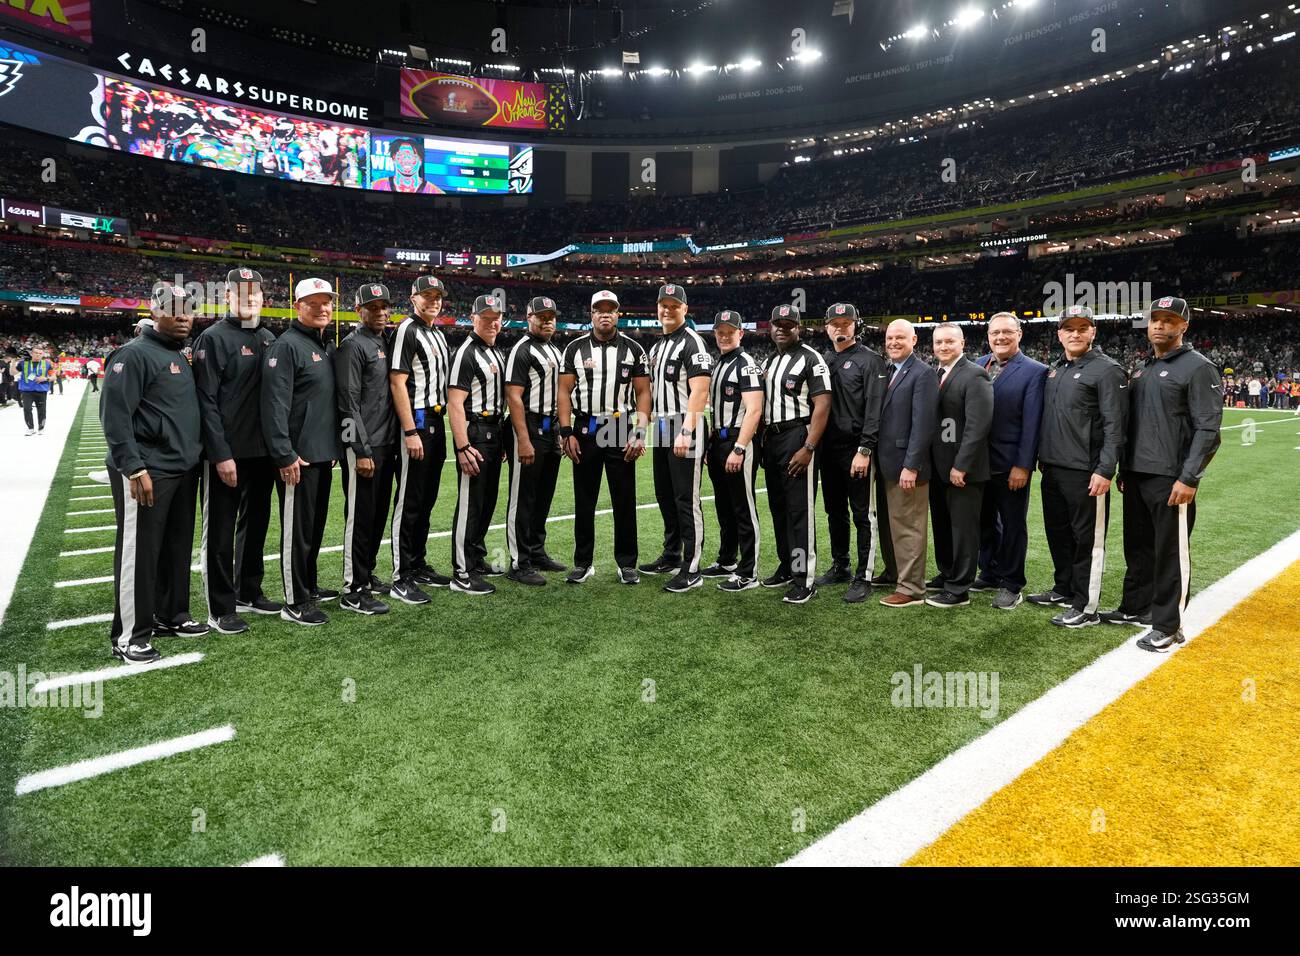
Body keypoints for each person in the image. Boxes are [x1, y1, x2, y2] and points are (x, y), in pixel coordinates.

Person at [1110, 296, 1223, 651]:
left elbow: (1208, 429)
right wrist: (1124, 467)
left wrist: (1190, 477)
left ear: (1184, 326)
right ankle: (1136, 606)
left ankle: (1169, 625)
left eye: (1169, 320)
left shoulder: (1198, 367)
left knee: (1170, 552)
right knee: (1139, 547)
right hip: (1138, 474)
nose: (1159, 325)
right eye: (1155, 319)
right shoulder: (1142, 369)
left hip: (1171, 477)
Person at [101, 282, 206, 663]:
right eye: (173, 308)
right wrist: (134, 466)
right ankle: (130, 635)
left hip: (182, 468)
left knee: (176, 550)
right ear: (154, 309)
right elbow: (115, 418)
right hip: (148, 470)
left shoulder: (177, 355)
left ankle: (173, 614)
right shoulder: (132, 354)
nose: (182, 316)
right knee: (140, 553)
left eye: (189, 309)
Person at [193, 268, 281, 635]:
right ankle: (220, 606)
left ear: (262, 298)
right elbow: (205, 402)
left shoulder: (268, 337)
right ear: (227, 296)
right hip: (227, 454)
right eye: (241, 294)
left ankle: (249, 589)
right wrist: (220, 453)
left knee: (256, 522)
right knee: (220, 529)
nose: (249, 300)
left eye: (255, 294)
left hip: (262, 452)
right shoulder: (212, 339)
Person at [1030, 305, 1128, 626]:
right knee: (1058, 533)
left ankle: (1086, 606)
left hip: (1087, 471)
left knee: (1087, 538)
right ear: (1059, 334)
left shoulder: (1107, 370)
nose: (1075, 333)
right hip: (1054, 468)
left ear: (1092, 332)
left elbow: (1116, 425)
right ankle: (1064, 588)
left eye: (1082, 328)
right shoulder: (1055, 369)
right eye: (1068, 328)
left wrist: (1105, 469)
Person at [558, 289, 651, 584]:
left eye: (611, 309)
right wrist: (565, 431)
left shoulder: (634, 349)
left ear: (618, 314)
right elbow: (563, 391)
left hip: (618, 426)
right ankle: (583, 562)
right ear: (592, 314)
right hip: (585, 427)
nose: (605, 314)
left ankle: (627, 563)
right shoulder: (574, 348)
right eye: (600, 309)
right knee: (584, 500)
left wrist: (640, 431)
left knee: (624, 499)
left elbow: (643, 392)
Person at [262, 277, 340, 626]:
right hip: (298, 458)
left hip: (321, 454)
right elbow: (274, 406)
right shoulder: (286, 346)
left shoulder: (321, 345)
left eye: (327, 302)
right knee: (297, 531)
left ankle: (307, 586)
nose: (323, 308)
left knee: (314, 528)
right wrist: (284, 453)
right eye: (314, 302)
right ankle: (294, 601)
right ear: (297, 305)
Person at [642, 284, 713, 593]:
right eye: (663, 305)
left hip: (685, 425)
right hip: (661, 426)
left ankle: (691, 565)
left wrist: (687, 430)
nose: (667, 310)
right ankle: (671, 554)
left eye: (674, 305)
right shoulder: (658, 346)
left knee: (686, 498)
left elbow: (699, 390)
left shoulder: (692, 342)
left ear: (685, 309)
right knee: (665, 494)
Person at [974, 312, 1048, 610]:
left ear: (1019, 334)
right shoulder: (978, 365)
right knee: (984, 522)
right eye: (995, 333)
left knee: (1013, 525)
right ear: (988, 336)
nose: (1001, 337)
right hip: (979, 463)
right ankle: (989, 570)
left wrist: (1023, 465)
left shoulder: (1035, 371)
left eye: (1007, 332)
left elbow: (1032, 423)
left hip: (1010, 465)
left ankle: (1012, 582)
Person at [760, 305, 831, 605]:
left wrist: (809, 447)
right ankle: (788, 565)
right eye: (777, 324)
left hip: (796, 436)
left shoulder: (811, 358)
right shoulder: (770, 360)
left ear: (798, 328)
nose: (782, 329)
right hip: (771, 437)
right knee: (778, 507)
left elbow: (823, 406)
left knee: (799, 510)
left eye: (789, 325)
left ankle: (805, 578)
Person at [388, 275, 453, 606]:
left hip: (437, 421)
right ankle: (401, 576)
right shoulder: (406, 330)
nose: (433, 301)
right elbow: (397, 382)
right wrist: (410, 430)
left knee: (426, 499)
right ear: (413, 298)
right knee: (409, 500)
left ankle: (418, 562)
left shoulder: (438, 334)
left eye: (437, 296)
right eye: (426, 296)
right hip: (418, 421)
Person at [816, 302, 886, 604]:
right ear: (827, 327)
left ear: (856, 325)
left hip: (855, 448)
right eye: (835, 323)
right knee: (834, 511)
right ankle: (841, 565)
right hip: (828, 449)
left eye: (846, 323)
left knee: (862, 514)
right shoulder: (825, 358)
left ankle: (864, 576)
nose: (840, 328)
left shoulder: (870, 360)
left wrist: (865, 448)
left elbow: (875, 409)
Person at [336, 282, 398, 615]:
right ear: (359, 310)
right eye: (373, 307)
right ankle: (352, 588)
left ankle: (367, 574)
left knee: (375, 517)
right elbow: (347, 403)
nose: (380, 312)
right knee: (359, 519)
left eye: (384, 306)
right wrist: (359, 449)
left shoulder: (385, 342)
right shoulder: (352, 345)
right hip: (365, 446)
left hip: (386, 444)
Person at [926, 323, 994, 608]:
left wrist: (961, 465)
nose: (943, 346)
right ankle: (948, 572)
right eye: (939, 342)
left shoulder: (975, 374)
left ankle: (959, 589)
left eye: (949, 342)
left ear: (962, 343)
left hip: (963, 470)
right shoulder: (935, 374)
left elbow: (978, 426)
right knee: (942, 525)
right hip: (938, 467)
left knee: (963, 529)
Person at [874, 319, 939, 608]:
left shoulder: (922, 373)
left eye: (900, 337)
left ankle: (912, 588)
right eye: (890, 338)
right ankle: (894, 572)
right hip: (886, 462)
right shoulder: (890, 370)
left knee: (909, 527)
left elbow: (923, 424)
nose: (894, 343)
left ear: (914, 340)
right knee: (890, 525)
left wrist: (912, 465)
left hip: (906, 465)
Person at [504, 295, 567, 585]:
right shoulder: (522, 350)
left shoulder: (554, 350)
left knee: (543, 495)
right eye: (542, 316)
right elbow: (514, 397)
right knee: (523, 497)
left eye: (551, 316)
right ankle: (519, 561)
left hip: (550, 428)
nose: (547, 321)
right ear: (529, 317)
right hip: (529, 426)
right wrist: (523, 438)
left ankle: (536, 549)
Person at [447, 294, 508, 595]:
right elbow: (455, 403)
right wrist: (461, 447)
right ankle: (462, 571)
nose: (492, 322)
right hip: (475, 433)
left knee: (486, 502)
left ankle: (476, 557)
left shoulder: (495, 352)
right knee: (471, 503)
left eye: (496, 317)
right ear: (473, 318)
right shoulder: (466, 353)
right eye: (486, 317)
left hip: (494, 433)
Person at [704, 310, 764, 592]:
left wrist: (739, 447)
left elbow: (754, 409)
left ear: (741, 333)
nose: (724, 335)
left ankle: (748, 571)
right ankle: (727, 559)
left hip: (738, 441)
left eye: (730, 331)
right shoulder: (720, 363)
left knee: (743, 507)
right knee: (723, 505)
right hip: (719, 442)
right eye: (720, 331)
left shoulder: (746, 363)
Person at [17, 346, 53, 436]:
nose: (38, 355)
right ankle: (30, 428)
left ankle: (41, 428)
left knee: (42, 410)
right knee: (27, 409)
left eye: (40, 353)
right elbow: (12, 373)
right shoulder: (23, 363)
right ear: (32, 353)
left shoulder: (47, 364)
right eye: (36, 353)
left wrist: (45, 378)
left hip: (41, 390)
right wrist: (13, 361)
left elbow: (54, 377)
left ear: (42, 355)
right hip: (26, 390)